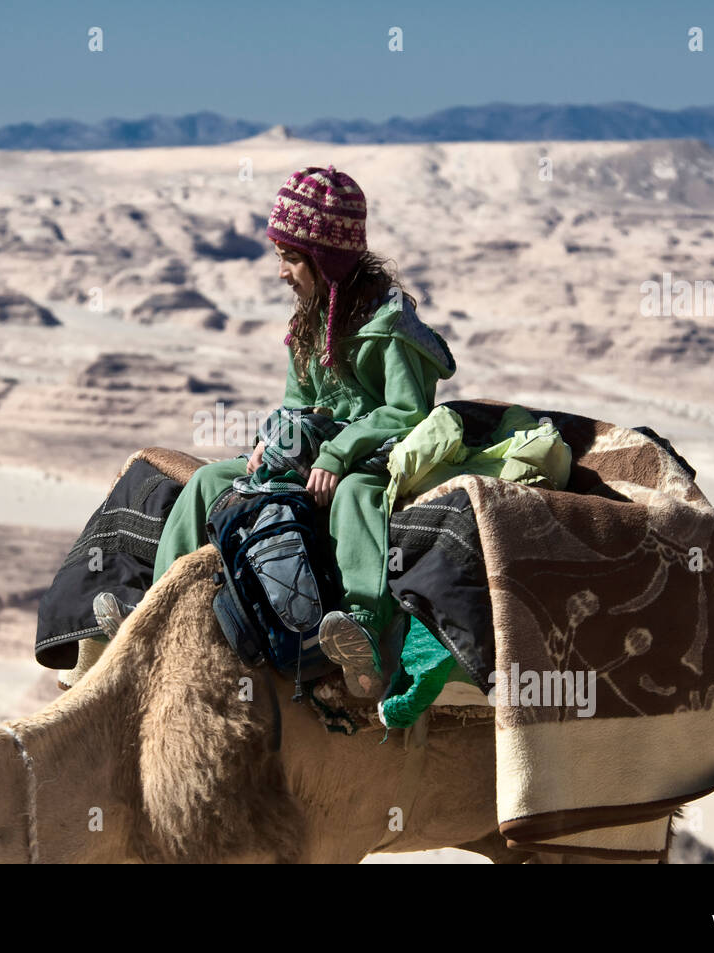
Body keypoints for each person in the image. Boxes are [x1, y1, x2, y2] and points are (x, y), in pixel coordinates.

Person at [97, 164, 456, 698]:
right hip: (318, 453)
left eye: (291, 258)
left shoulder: (387, 328)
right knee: (211, 482)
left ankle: (362, 625)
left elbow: (406, 412)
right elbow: (298, 402)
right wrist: (276, 438)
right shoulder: (308, 324)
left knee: (356, 498)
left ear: (326, 261)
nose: (281, 272)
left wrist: (337, 455)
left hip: (382, 456)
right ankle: (154, 607)